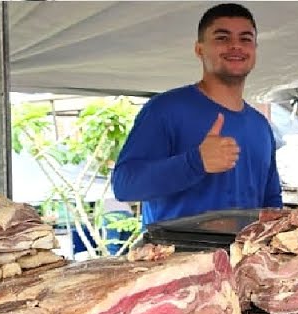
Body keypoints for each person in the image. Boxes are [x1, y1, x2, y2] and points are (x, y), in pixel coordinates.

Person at [111, 3, 282, 227]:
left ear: (254, 50)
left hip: (246, 258)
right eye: (222, 38)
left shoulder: (260, 126)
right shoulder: (165, 109)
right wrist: (195, 162)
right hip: (175, 258)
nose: (235, 46)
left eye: (245, 39)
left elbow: (271, 202)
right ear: (199, 49)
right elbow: (125, 186)